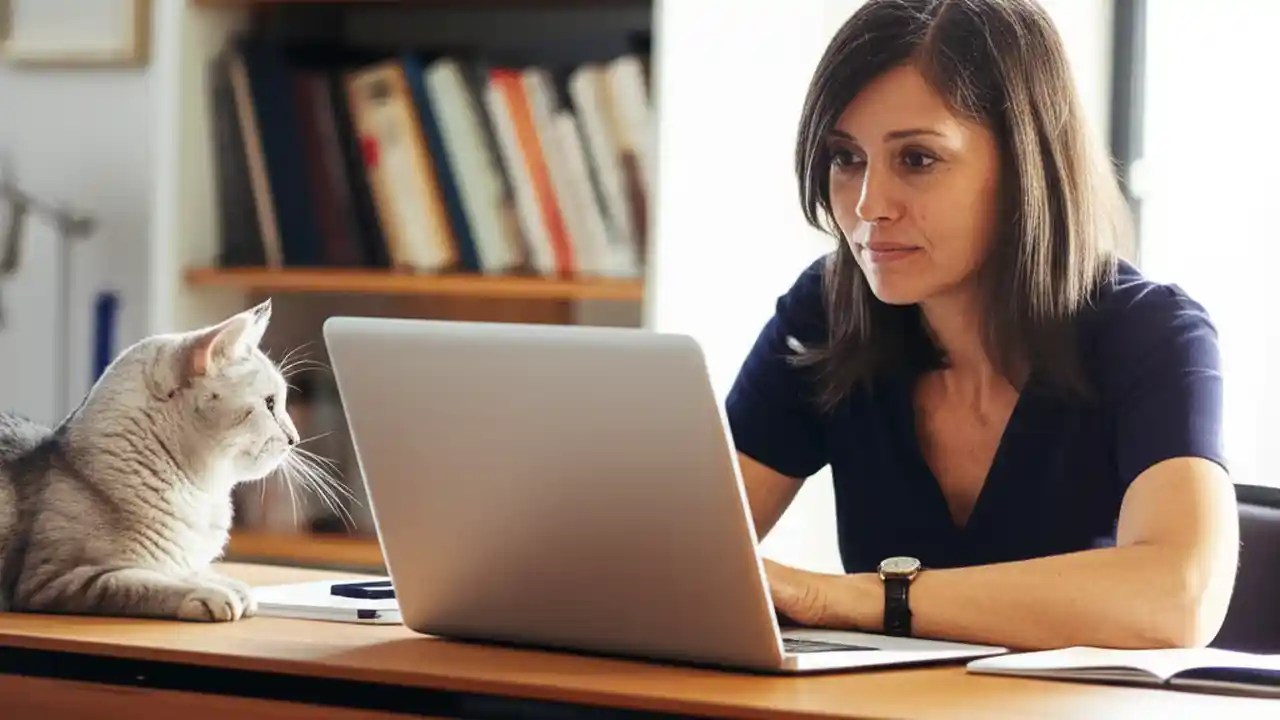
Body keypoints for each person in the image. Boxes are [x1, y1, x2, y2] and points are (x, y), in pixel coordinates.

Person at [729, 0, 1239, 651]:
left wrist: (843, 599)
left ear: (1026, 165)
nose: (867, 206)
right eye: (845, 158)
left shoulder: (1150, 332)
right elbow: (678, 552)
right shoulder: (829, 312)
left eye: (917, 159)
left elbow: (1181, 597)